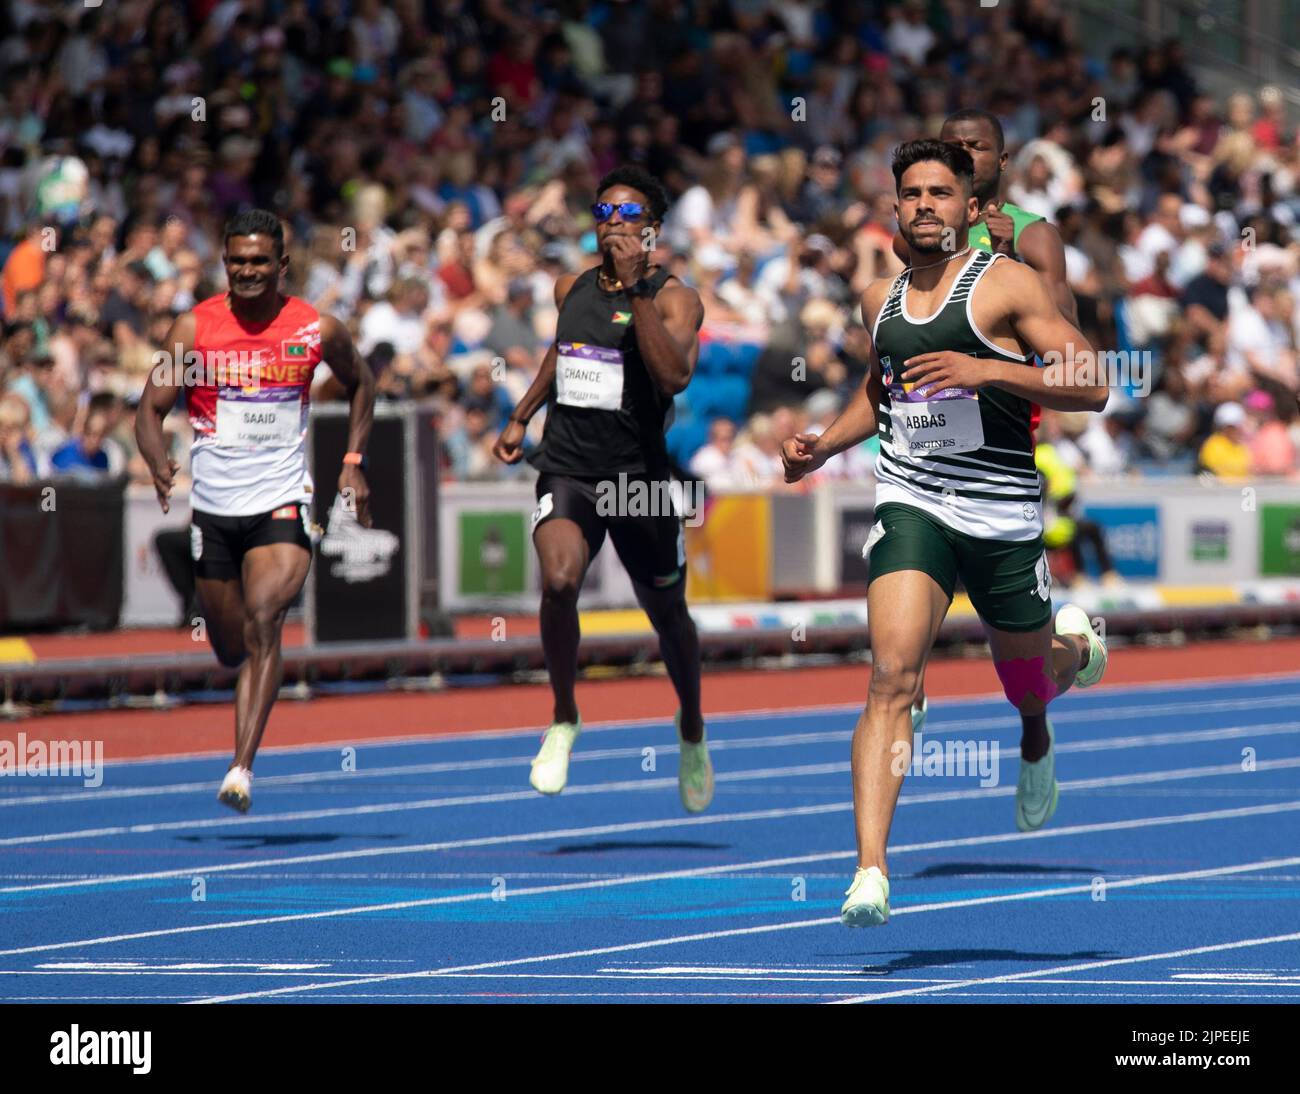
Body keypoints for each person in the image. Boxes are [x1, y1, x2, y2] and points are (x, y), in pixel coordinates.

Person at [782, 140, 1110, 927]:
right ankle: (869, 870)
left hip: (1000, 515)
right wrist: (825, 442)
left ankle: (1070, 663)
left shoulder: (1007, 285)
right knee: (891, 677)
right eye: (911, 193)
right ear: (895, 208)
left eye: (939, 192)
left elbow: (1094, 382)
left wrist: (990, 370)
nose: (924, 204)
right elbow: (883, 391)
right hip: (913, 501)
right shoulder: (878, 299)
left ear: (970, 208)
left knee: (1024, 685)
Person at [135, 209, 375, 812]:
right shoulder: (194, 331)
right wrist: (157, 457)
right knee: (228, 644)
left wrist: (352, 459)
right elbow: (148, 409)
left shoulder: (317, 329)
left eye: (259, 261)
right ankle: (243, 679)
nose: (247, 270)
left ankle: (241, 767)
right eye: (237, 261)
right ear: (225, 264)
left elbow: (362, 383)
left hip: (282, 501)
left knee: (265, 619)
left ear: (281, 266)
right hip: (213, 512)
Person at [493, 165, 712, 812]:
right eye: (603, 212)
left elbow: (673, 376)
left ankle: (692, 726)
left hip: (638, 481)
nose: (612, 224)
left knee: (668, 614)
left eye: (627, 215)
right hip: (569, 467)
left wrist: (638, 290)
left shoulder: (677, 298)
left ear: (652, 229)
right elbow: (564, 352)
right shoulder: (571, 287)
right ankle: (563, 715)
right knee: (559, 580)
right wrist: (521, 412)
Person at [892, 109, 1081, 732]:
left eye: (976, 147)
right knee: (905, 587)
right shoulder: (919, 229)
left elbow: (1069, 343)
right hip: (923, 437)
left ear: (1001, 164)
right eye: (952, 147)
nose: (963, 154)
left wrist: (1003, 261)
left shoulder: (1033, 234)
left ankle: (1056, 682)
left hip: (1003, 439)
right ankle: (902, 682)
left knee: (1024, 678)